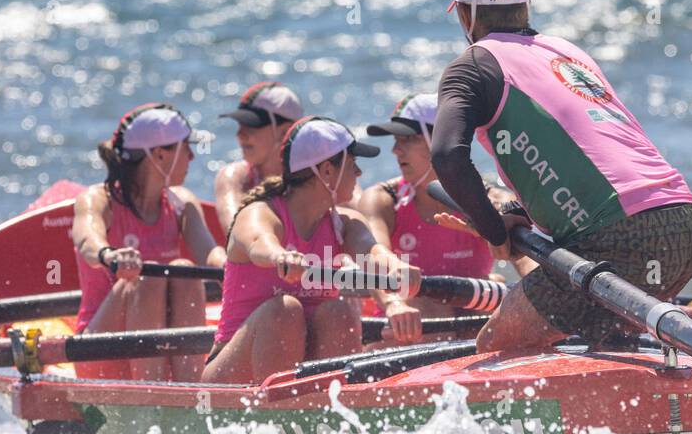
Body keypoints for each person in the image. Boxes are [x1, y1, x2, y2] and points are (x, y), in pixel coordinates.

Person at [430, 0, 692, 353]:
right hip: (686, 228)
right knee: (600, 337)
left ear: (465, 15)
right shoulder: (568, 52)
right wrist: (516, 215)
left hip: (620, 241)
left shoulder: (472, 65)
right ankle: (630, 368)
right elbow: (589, 151)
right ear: (525, 6)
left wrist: (494, 233)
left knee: (498, 345)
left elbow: (446, 157)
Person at [203, 117, 422, 383]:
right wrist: (279, 256)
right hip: (229, 373)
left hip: (298, 362)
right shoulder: (260, 213)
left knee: (338, 311)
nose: (359, 174)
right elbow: (260, 243)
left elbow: (373, 252)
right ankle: (278, 413)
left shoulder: (346, 223)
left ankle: (330, 411)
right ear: (327, 171)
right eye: (353, 165)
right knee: (284, 310)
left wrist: (397, 269)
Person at [72, 103, 227, 381]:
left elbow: (210, 254)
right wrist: (109, 255)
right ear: (159, 155)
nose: (192, 156)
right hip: (98, 349)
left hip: (154, 346)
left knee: (183, 268)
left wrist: (235, 270)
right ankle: (153, 391)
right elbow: (87, 240)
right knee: (147, 277)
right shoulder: (98, 200)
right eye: (185, 148)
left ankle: (188, 391)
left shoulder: (183, 202)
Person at [357, 93, 520, 343]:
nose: (395, 150)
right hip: (404, 323)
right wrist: (392, 302)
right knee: (431, 303)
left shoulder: (491, 199)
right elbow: (370, 257)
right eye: (396, 140)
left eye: (407, 139)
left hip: (467, 314)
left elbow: (529, 263)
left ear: (440, 141)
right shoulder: (382, 200)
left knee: (498, 292)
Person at [213, 82, 305, 236]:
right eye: (240, 125)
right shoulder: (234, 176)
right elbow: (237, 233)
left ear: (285, 131)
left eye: (251, 126)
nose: (240, 134)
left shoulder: (320, 176)